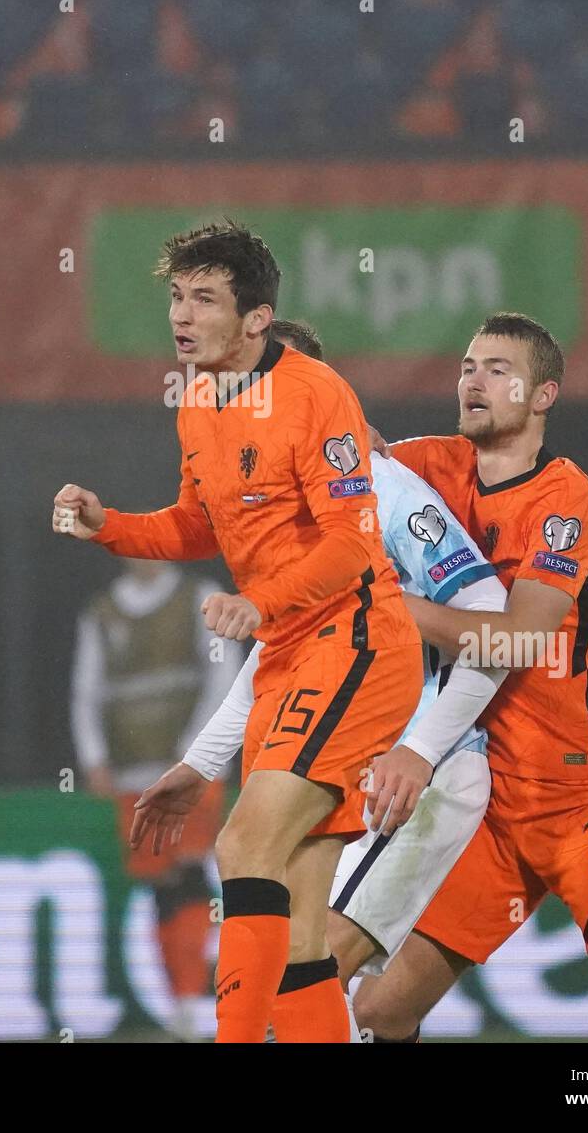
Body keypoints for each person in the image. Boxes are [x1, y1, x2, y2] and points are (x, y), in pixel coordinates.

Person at [53, 221, 422, 1042]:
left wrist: (261, 604)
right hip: (291, 660)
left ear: (257, 319)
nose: (182, 316)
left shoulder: (316, 393)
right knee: (298, 933)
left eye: (206, 299)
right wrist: (107, 524)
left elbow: (354, 542)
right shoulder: (196, 398)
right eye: (177, 297)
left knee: (244, 841)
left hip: (357, 643)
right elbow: (194, 525)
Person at [353, 312, 588, 1044]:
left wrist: (397, 607)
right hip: (488, 809)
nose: (474, 380)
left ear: (543, 394)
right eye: (467, 365)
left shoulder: (567, 503)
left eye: (498, 369)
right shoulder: (432, 466)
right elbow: (354, 454)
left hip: (580, 793)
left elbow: (524, 639)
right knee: (379, 1011)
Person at [132, 319, 511, 1041]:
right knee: (345, 992)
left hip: (418, 781)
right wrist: (198, 766)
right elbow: (278, 659)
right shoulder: (284, 514)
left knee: (312, 961)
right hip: (347, 776)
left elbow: (495, 626)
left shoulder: (384, 488)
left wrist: (422, 749)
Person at [70, 556, 243, 1039]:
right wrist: (94, 755)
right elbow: (87, 687)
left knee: (191, 873)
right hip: (134, 771)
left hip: (190, 766)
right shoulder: (103, 611)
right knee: (162, 885)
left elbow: (223, 674)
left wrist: (199, 749)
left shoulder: (198, 596)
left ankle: (202, 994)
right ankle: (184, 1002)